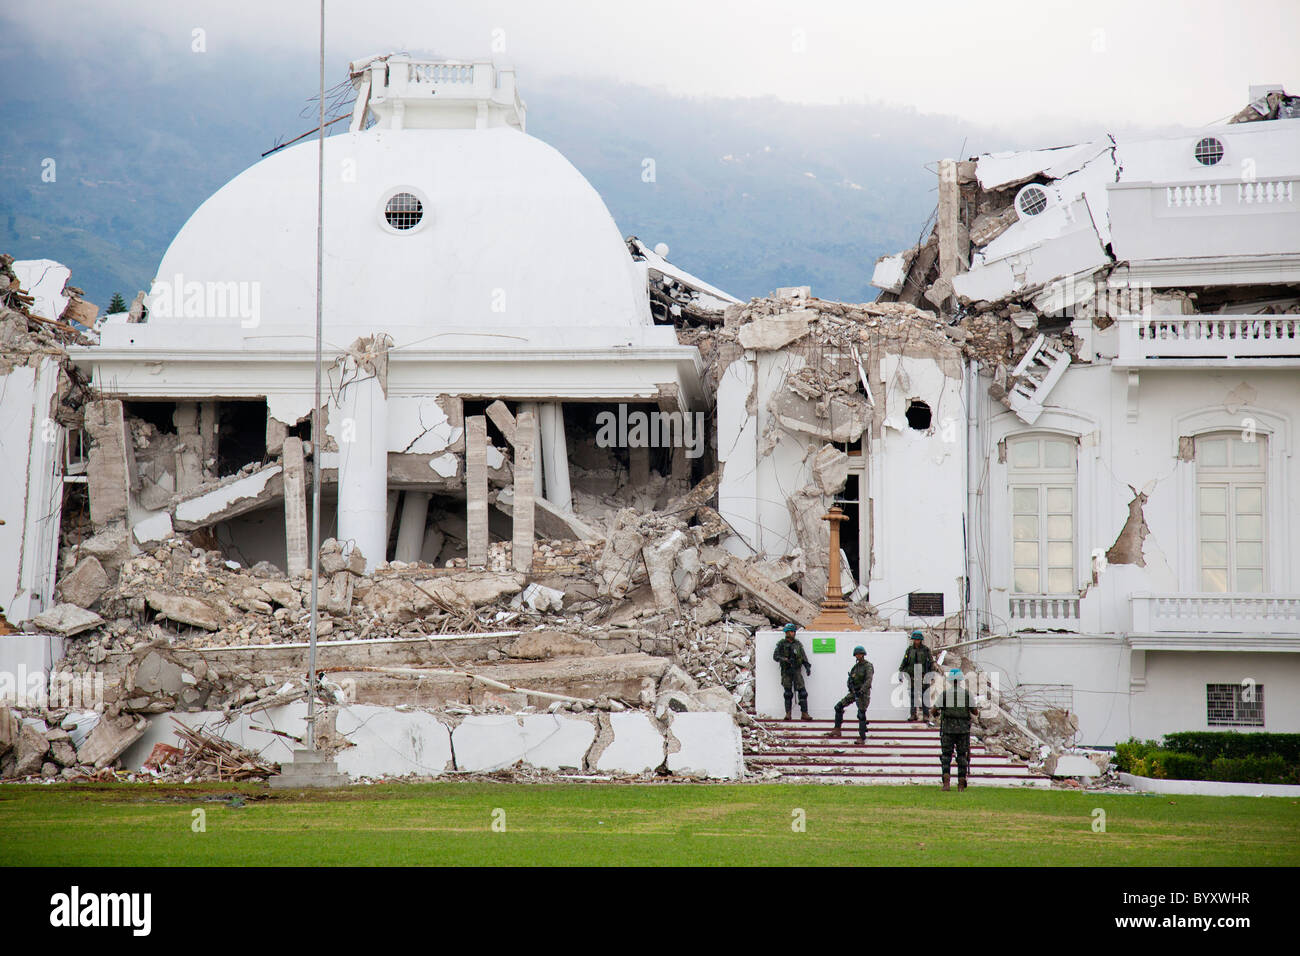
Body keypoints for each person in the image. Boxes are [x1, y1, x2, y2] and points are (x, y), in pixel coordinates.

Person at [937, 668, 979, 791]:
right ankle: (961, 784)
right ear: (960, 680)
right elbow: (975, 712)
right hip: (963, 730)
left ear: (950, 681)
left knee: (946, 756)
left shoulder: (945, 694)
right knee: (962, 756)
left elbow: (934, 710)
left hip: (948, 730)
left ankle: (946, 784)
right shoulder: (967, 694)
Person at [826, 645, 873, 744]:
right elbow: (850, 680)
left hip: (863, 694)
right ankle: (837, 729)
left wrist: (862, 690)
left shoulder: (868, 666)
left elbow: (868, 680)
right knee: (838, 706)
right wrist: (851, 687)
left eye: (860, 654)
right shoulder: (855, 667)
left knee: (861, 714)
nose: (858, 656)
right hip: (854, 692)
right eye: (856, 654)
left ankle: (862, 737)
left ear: (863, 654)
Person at [772, 623, 812, 720]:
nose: (793, 633)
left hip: (796, 670)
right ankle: (788, 714)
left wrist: (807, 666)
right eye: (791, 631)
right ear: (786, 633)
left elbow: (803, 656)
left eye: (794, 631)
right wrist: (785, 660)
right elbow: (775, 657)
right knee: (788, 693)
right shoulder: (781, 644)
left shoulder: (797, 644)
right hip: (786, 671)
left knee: (802, 692)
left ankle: (804, 713)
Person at [898, 630, 935, 722]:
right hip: (912, 676)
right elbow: (904, 662)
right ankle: (913, 714)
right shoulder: (909, 650)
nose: (916, 641)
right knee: (913, 696)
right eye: (915, 639)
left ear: (921, 640)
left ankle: (925, 715)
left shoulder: (926, 650)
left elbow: (931, 663)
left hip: (923, 676)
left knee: (925, 696)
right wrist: (901, 672)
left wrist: (931, 674)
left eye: (918, 639)